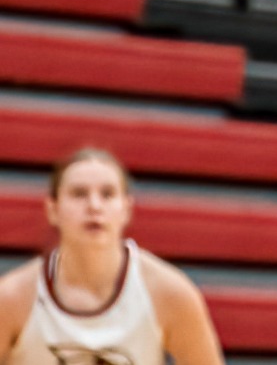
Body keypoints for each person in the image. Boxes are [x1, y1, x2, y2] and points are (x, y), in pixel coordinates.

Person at [0, 149, 223, 365]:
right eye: (79, 194)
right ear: (53, 209)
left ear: (126, 209)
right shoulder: (13, 298)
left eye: (107, 194)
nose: (94, 206)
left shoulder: (170, 293)